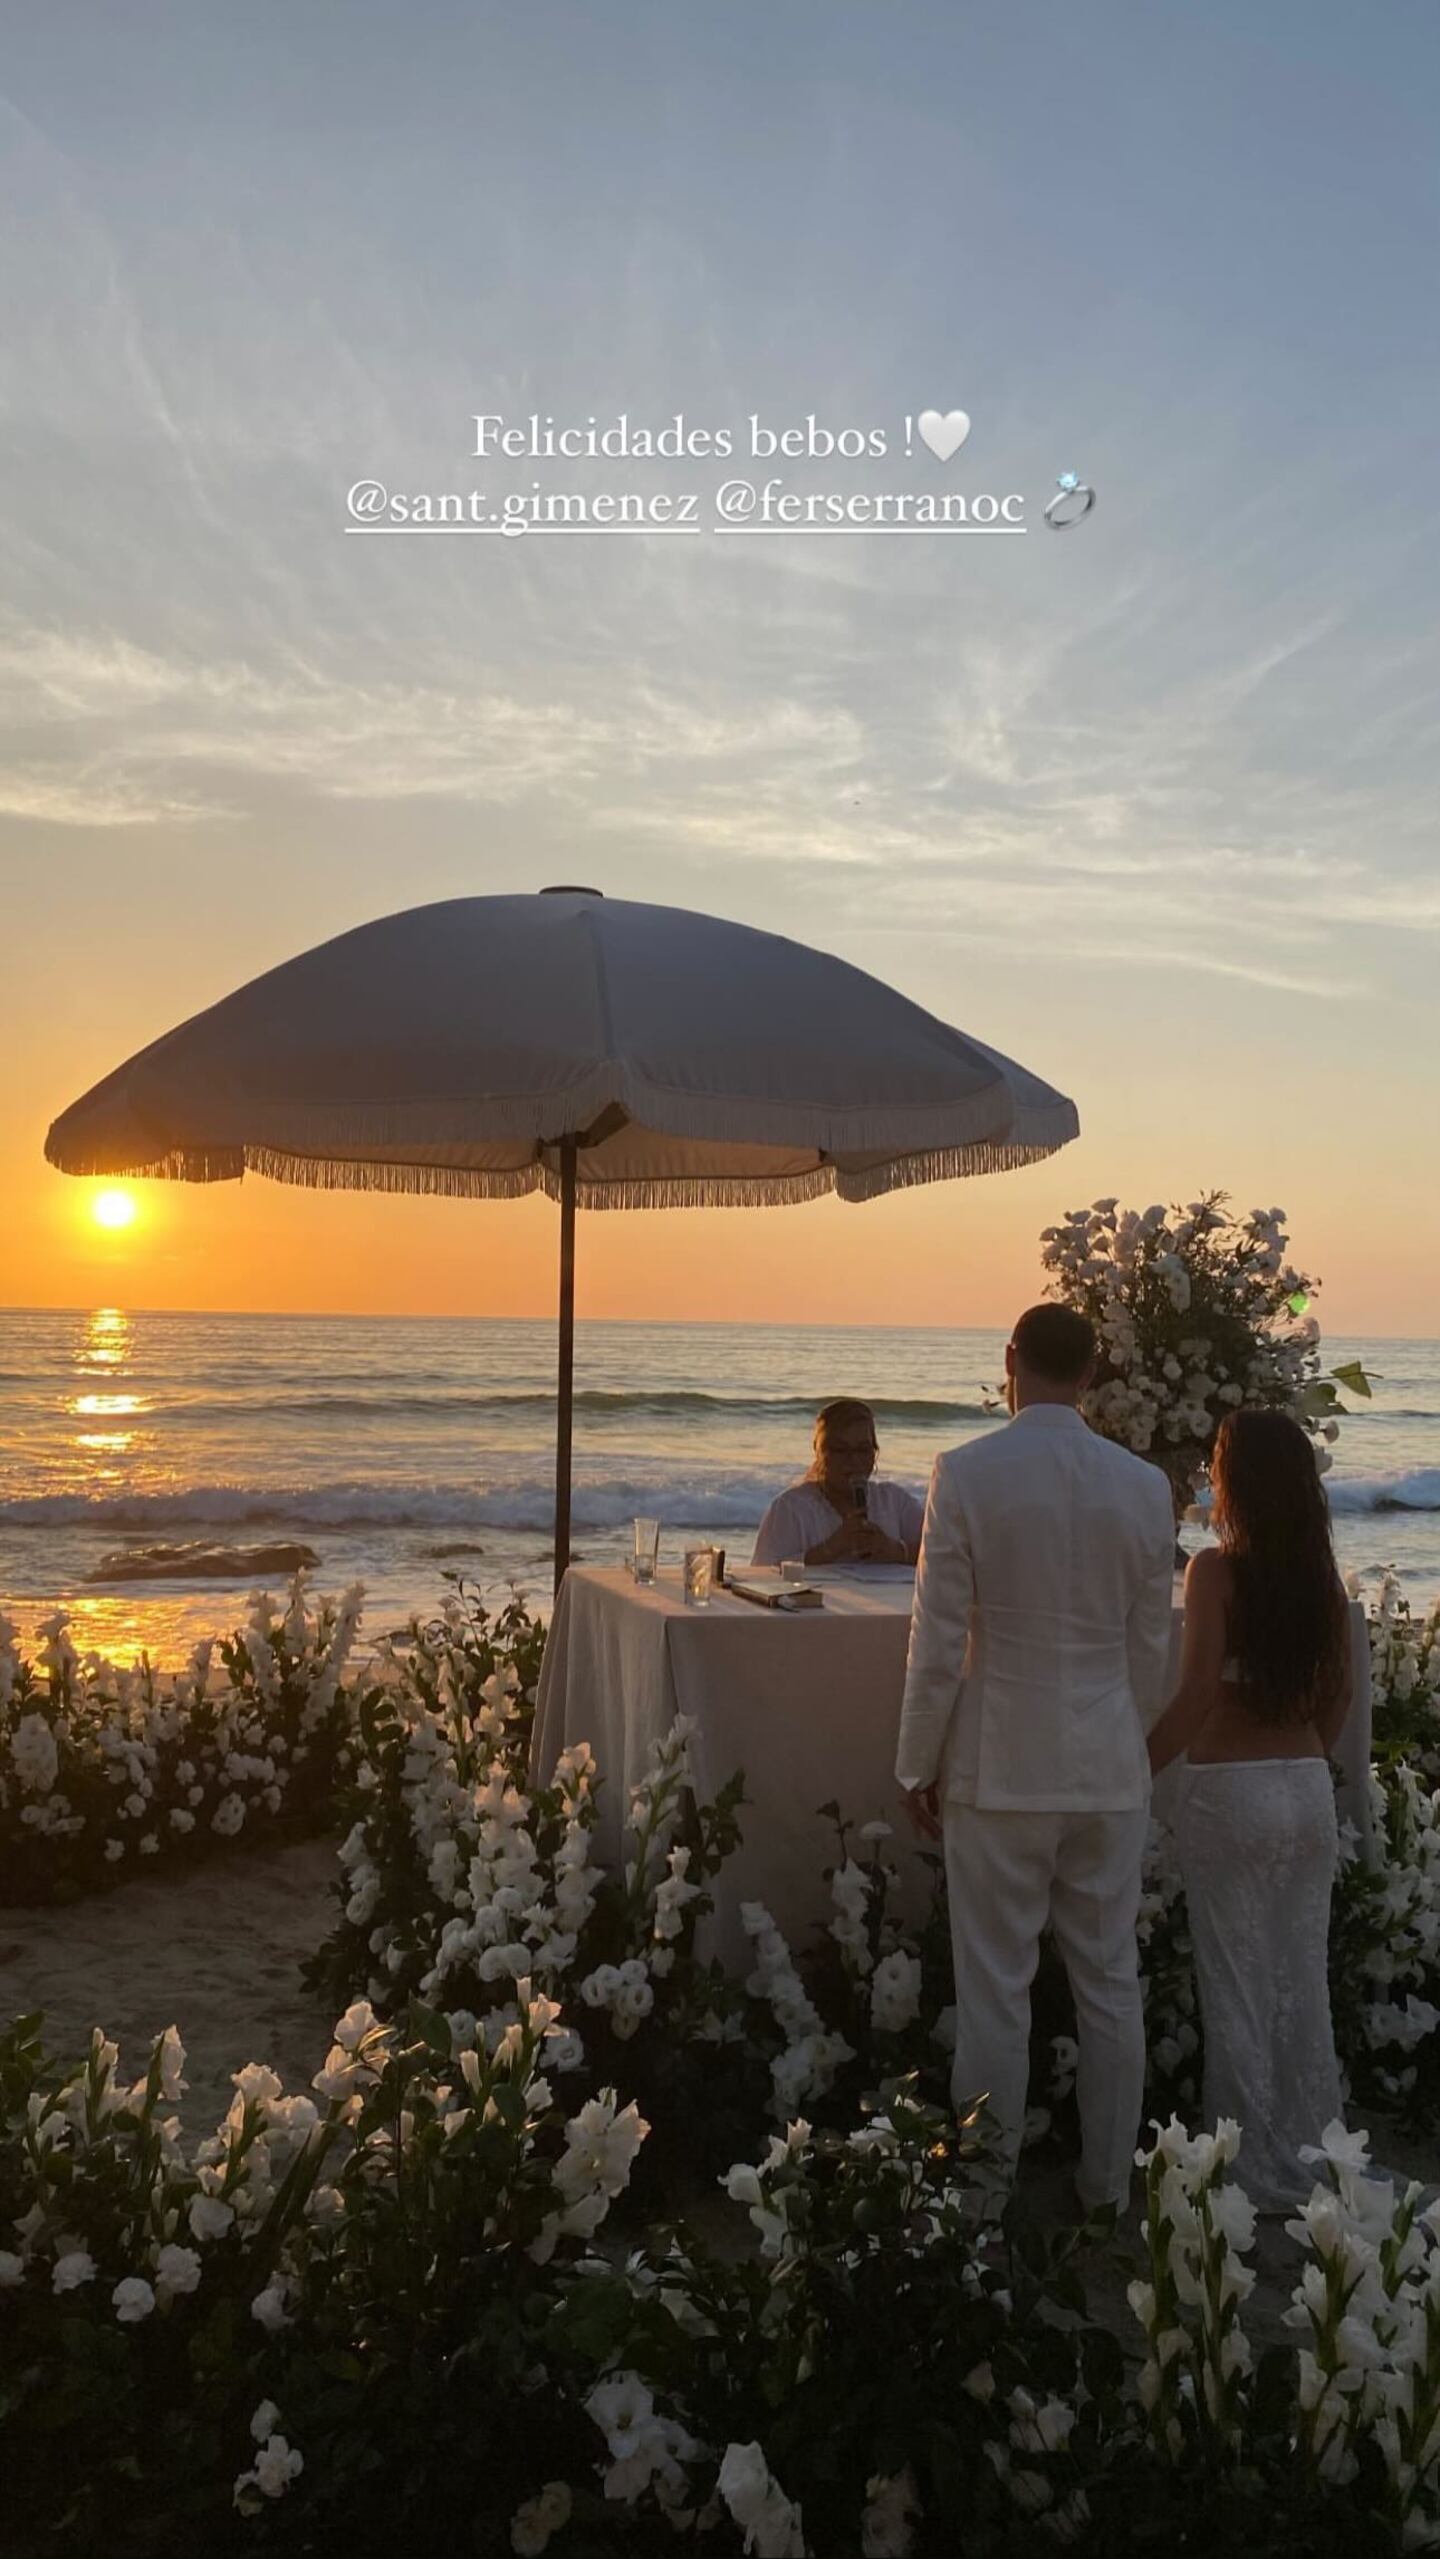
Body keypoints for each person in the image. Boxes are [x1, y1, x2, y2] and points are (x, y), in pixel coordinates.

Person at [895, 1304, 1176, 2215]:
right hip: (1107, 1766)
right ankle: (1106, 2189)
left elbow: (937, 1640)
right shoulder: (1144, 1485)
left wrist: (916, 1762)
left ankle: (983, 2198)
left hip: (1001, 1763)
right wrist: (1126, 1740)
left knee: (994, 1992)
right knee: (1110, 1983)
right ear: (1091, 1373)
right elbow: (1151, 1646)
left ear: (1010, 1358)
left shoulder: (966, 1471)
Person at [1147, 1408, 1351, 2212]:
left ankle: (1247, 2162)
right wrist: (1301, 1757)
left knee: (1234, 1983)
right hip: (1305, 1789)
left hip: (1232, 1795)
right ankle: (1314, 2143)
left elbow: (1198, 1691)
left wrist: (1132, 1771)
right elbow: (1338, 1695)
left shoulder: (1214, 1572)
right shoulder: (1321, 1580)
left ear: (1239, 1483)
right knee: (1300, 1981)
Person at [751, 1398, 925, 1569]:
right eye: (840, 1450)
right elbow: (762, 1575)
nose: (853, 1460)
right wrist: (831, 1548)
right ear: (818, 1452)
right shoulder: (790, 1509)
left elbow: (938, 1552)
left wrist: (894, 1550)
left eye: (863, 1450)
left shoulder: (894, 1501)